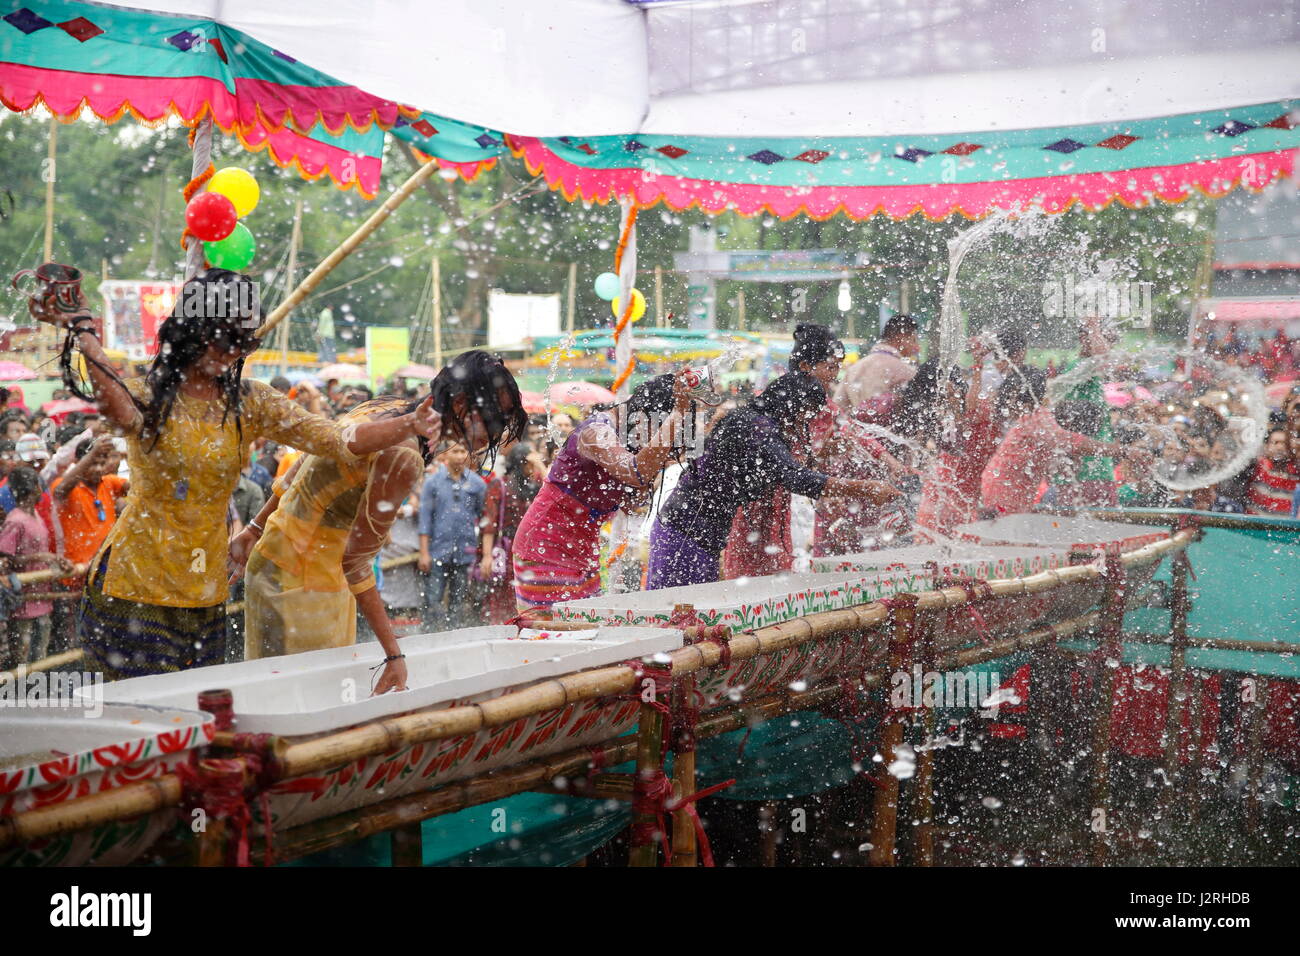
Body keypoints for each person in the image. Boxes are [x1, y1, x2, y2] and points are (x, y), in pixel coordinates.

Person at [29, 268, 441, 680]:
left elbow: (335, 439)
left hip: (206, 593)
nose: (235, 351)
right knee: (138, 729)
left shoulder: (251, 401)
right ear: (194, 329)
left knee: (201, 726)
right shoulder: (151, 391)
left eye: (247, 341)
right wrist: (82, 326)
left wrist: (408, 425)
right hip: (131, 588)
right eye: (228, 337)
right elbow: (117, 407)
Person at [237, 351, 524, 691]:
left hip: (279, 559)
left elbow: (311, 456)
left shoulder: (387, 408)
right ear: (460, 403)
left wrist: (255, 527)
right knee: (299, 701)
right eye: (494, 418)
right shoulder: (404, 453)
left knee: (275, 694)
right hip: (303, 584)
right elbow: (356, 561)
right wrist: (394, 656)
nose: (498, 431)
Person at [648, 373, 901, 589]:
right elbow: (797, 478)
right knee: (682, 626)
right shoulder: (756, 427)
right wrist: (866, 489)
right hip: (685, 537)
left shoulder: (753, 421)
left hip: (693, 535)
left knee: (693, 625)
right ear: (794, 406)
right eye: (806, 416)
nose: (805, 424)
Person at [513, 371, 696, 612]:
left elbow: (634, 499)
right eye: (660, 431)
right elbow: (634, 471)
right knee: (552, 635)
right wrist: (677, 416)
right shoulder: (595, 431)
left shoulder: (628, 438)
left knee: (587, 632)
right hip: (545, 548)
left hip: (583, 553)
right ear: (643, 418)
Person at [981, 373, 1140, 515]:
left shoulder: (1042, 420)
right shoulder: (1039, 419)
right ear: (1069, 422)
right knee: (1006, 537)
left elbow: (1066, 455)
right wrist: (1125, 451)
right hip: (1004, 491)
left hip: (1012, 489)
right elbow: (1073, 442)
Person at [0, 467, 72, 666]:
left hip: (43, 599)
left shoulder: (36, 516)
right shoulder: (15, 520)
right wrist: (40, 557)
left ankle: (36, 695)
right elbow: (6, 558)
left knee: (39, 660)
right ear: (34, 489)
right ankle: (19, 695)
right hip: (22, 602)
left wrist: (55, 560)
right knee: (21, 662)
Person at [419, 443, 487, 632]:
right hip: (437, 550)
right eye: (455, 451)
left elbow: (484, 518)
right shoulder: (433, 482)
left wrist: (484, 554)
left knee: (458, 600)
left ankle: (453, 637)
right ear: (445, 455)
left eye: (463, 451)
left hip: (465, 550)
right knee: (432, 599)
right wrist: (424, 552)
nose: (459, 456)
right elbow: (424, 519)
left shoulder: (476, 483)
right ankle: (428, 638)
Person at [476, 441, 543, 624]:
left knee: (528, 591)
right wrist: (487, 556)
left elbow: (551, 488)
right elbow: (489, 525)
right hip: (507, 549)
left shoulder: (534, 485)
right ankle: (503, 626)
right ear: (521, 462)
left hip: (530, 549)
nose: (533, 465)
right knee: (503, 593)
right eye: (530, 461)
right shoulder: (500, 485)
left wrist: (538, 464)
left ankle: (526, 625)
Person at [50, 435, 128, 570]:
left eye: (102, 464)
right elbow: (60, 491)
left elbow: (141, 488)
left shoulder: (110, 482)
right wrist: (92, 455)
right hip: (73, 570)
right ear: (79, 462)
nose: (98, 469)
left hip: (103, 570)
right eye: (93, 463)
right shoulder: (65, 485)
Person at [833, 313, 920, 417]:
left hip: (859, 430)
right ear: (901, 337)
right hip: (888, 432)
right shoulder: (905, 371)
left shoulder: (854, 369)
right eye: (913, 340)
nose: (917, 347)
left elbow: (837, 408)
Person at [1246, 427, 1298, 515]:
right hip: (1255, 525)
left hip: (1286, 526)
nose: (1280, 447)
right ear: (1266, 446)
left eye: (1284, 443)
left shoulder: (1295, 470)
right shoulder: (1258, 466)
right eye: (1275, 442)